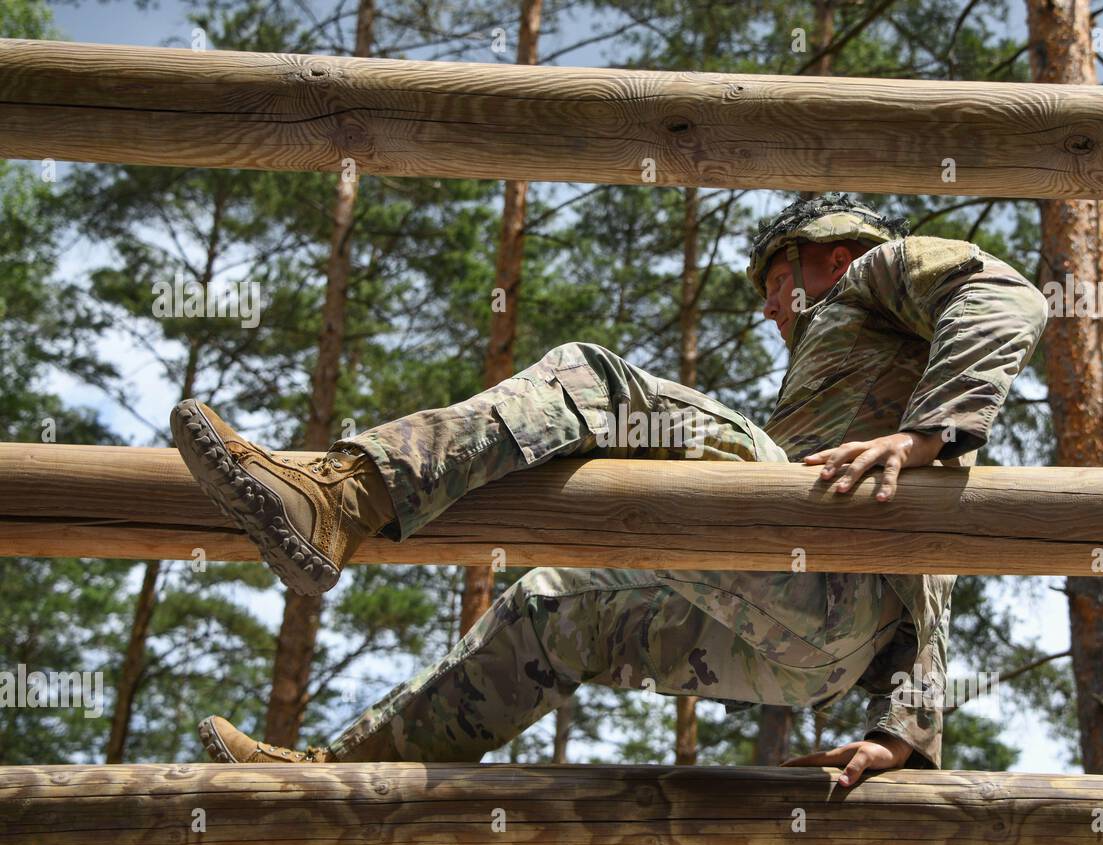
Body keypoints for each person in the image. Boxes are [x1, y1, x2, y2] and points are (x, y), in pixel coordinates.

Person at [178, 193, 1048, 785]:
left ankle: (343, 494)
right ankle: (347, 774)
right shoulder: (853, 374)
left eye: (776, 286)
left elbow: (1006, 294)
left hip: (834, 581)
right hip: (809, 643)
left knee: (600, 383)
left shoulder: (878, 271)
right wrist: (910, 731)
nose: (773, 311)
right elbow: (933, 562)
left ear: (825, 256)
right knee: (552, 606)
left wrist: (928, 431)